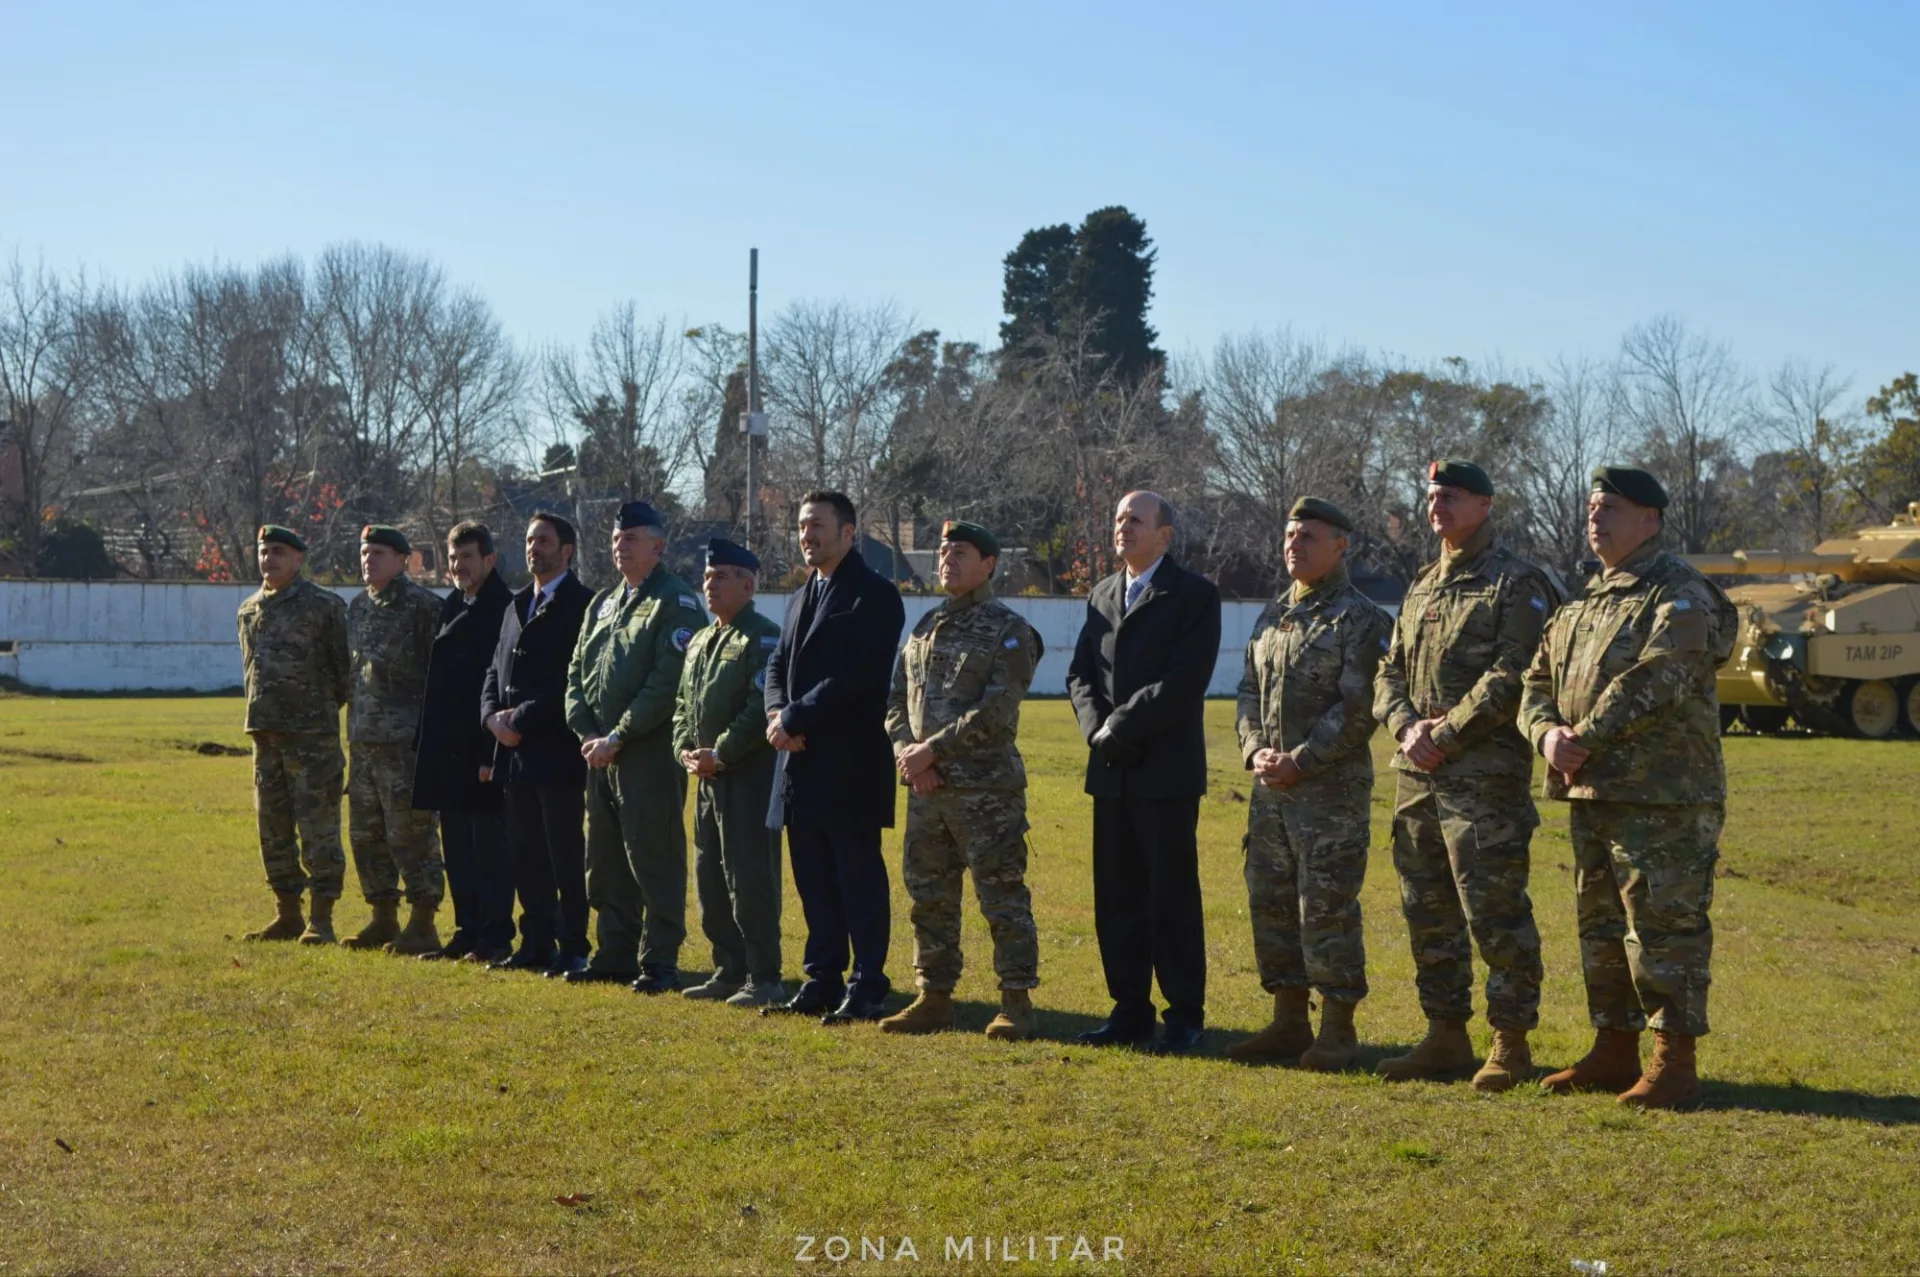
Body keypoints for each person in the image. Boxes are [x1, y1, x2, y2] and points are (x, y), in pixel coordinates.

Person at [1519, 466, 1736, 1110]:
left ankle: (1674, 1063)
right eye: (1591, 506)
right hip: (1590, 790)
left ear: (1649, 519)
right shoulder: (1584, 603)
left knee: (1665, 928)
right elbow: (1534, 682)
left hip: (1665, 797)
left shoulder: (1680, 593)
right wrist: (1546, 737)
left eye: (1609, 507)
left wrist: (1579, 734)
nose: (1595, 517)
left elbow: (1661, 675)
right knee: (1601, 925)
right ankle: (1614, 1048)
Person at [1371, 460, 1557, 1090]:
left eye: (1449, 496)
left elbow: (1515, 672)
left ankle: (1510, 1041)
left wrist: (1443, 733)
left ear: (1485, 504)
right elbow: (1387, 671)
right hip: (1417, 779)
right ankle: (1445, 1035)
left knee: (1495, 910)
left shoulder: (1515, 581)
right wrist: (1404, 728)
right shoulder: (1423, 583)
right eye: (1430, 497)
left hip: (1484, 783)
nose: (1436, 507)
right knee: (1427, 911)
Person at [1227, 498, 1391, 1071]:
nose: (1295, 544)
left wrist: (1301, 758)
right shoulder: (1274, 614)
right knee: (1270, 902)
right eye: (1291, 535)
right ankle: (1288, 1019)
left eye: (1310, 536)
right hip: (1270, 792)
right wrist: (1255, 751)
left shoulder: (1360, 618)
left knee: (1326, 907)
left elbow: (1359, 708)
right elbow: (1247, 691)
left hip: (1329, 797)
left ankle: (1338, 1029)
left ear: (1341, 545)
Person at [1066, 491, 1222, 1054]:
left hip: (1164, 772)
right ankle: (1128, 1009)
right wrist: (1096, 731)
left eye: (1135, 519)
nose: (1122, 528)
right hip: (1110, 771)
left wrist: (1122, 727)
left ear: (1165, 535)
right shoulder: (1102, 593)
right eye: (1117, 520)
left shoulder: (1195, 595)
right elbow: (1081, 674)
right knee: (1117, 896)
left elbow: (1185, 679)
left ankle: (1184, 1014)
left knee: (1170, 896)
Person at [879, 520, 1045, 1041]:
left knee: (1002, 898)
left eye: (961, 551)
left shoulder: (1010, 630)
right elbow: (894, 702)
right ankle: (933, 996)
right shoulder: (924, 627)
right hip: (926, 792)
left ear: (989, 565)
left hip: (985, 793)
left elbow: (997, 710)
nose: (946, 558)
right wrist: (908, 752)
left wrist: (934, 751)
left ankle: (1016, 1001)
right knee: (928, 896)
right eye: (944, 550)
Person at [763, 490, 906, 1023]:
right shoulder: (800, 597)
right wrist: (777, 716)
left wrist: (794, 718)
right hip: (799, 761)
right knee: (813, 876)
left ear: (848, 532)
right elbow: (776, 666)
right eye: (801, 526)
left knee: (856, 877)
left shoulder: (874, 594)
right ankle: (822, 977)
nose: (807, 535)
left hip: (848, 763)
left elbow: (859, 676)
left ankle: (868, 982)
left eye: (817, 525)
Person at [564, 501, 707, 992]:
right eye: (615, 539)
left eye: (630, 539)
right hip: (598, 756)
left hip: (644, 752)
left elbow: (668, 681)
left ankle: (660, 960)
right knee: (603, 858)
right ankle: (614, 952)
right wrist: (587, 733)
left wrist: (619, 735)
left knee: (653, 856)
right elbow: (576, 674)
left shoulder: (677, 601)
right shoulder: (604, 602)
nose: (619, 546)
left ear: (658, 546)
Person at [671, 538, 788, 1008]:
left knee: (750, 877)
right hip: (707, 779)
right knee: (710, 876)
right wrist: (685, 748)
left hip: (746, 777)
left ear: (748, 583)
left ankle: (765, 976)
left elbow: (758, 709)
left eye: (721, 576)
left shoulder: (762, 637)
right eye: (707, 576)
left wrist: (719, 754)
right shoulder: (701, 639)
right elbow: (682, 703)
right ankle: (728, 968)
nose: (710, 584)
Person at [482, 512, 595, 976]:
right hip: (513, 753)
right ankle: (535, 942)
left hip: (556, 751)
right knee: (525, 852)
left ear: (566, 550)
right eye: (529, 540)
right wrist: (491, 718)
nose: (534, 548)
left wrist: (521, 719)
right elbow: (493, 672)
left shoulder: (583, 605)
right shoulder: (514, 606)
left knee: (563, 852)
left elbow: (574, 678)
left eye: (543, 541)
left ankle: (573, 945)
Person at [236, 524, 350, 945]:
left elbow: (344, 674)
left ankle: (322, 918)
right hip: (265, 737)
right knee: (273, 829)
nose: (269, 559)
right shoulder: (248, 610)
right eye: (264, 551)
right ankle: (286, 913)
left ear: (298, 559)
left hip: (312, 738)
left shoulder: (324, 606)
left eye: (278, 552)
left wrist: (312, 710)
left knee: (319, 829)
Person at [411, 521, 517, 964]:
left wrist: (489, 753)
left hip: (483, 751)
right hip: (447, 752)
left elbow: (501, 686)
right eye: (452, 558)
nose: (458, 566)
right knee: (456, 848)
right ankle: (465, 932)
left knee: (489, 851)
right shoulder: (452, 604)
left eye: (467, 558)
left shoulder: (504, 609)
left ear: (489, 560)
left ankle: (494, 937)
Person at [342, 525, 446, 955]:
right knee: (367, 834)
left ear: (404, 559)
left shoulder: (423, 607)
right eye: (365, 552)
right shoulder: (359, 606)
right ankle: (383, 918)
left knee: (412, 834)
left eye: (380, 552)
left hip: (405, 745)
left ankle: (422, 922)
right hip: (364, 742)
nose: (370, 560)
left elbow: (441, 676)